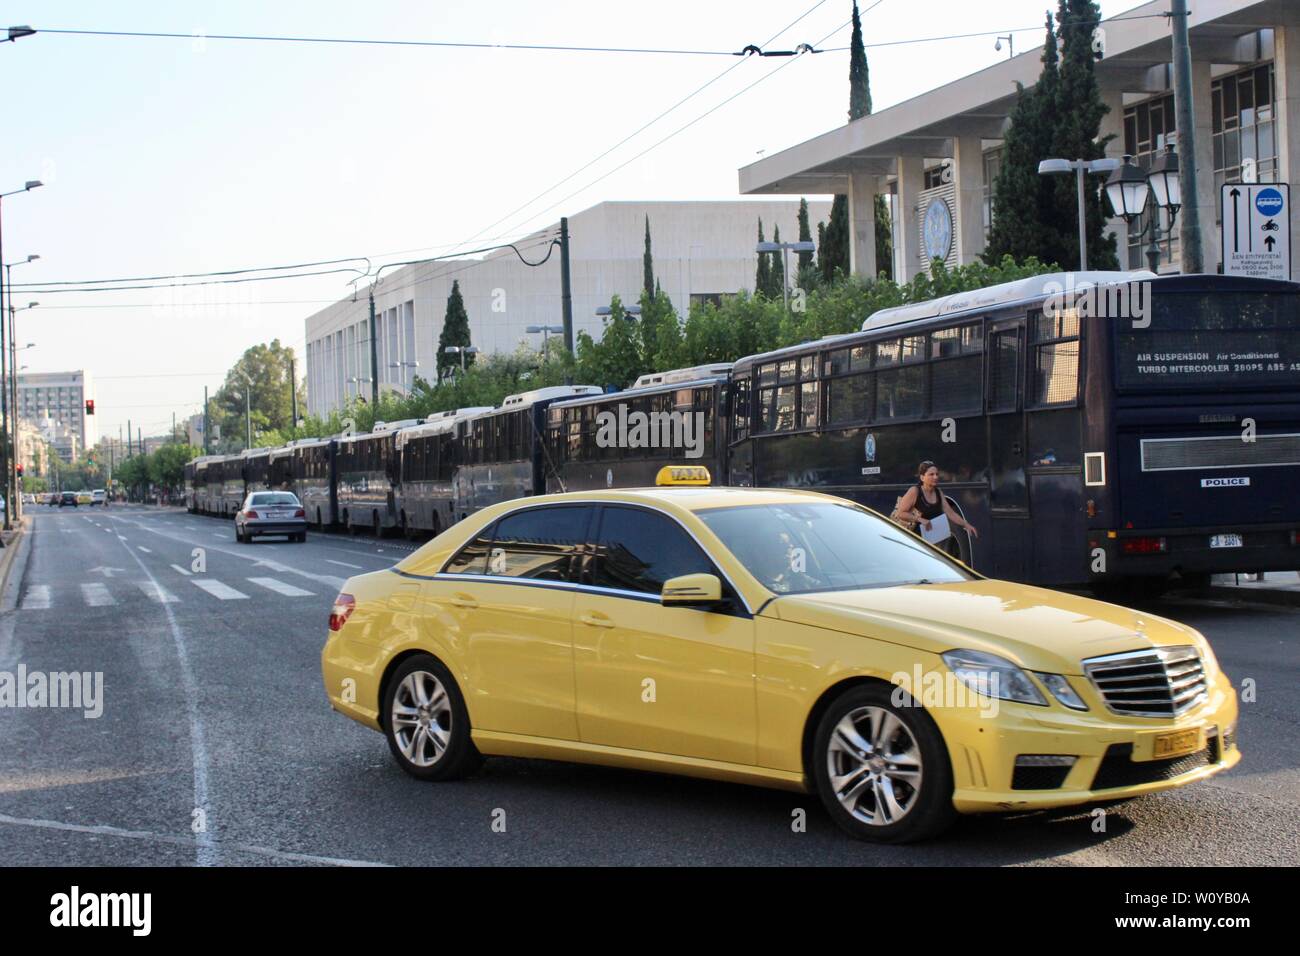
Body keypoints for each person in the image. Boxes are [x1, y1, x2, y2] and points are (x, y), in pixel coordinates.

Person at [892, 460, 978, 555]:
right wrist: (920, 519)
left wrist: (965, 524)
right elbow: (900, 513)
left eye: (937, 474)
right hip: (915, 541)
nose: (935, 477)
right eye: (931, 474)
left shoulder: (938, 492)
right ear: (922, 477)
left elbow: (950, 513)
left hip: (931, 541)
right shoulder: (915, 491)